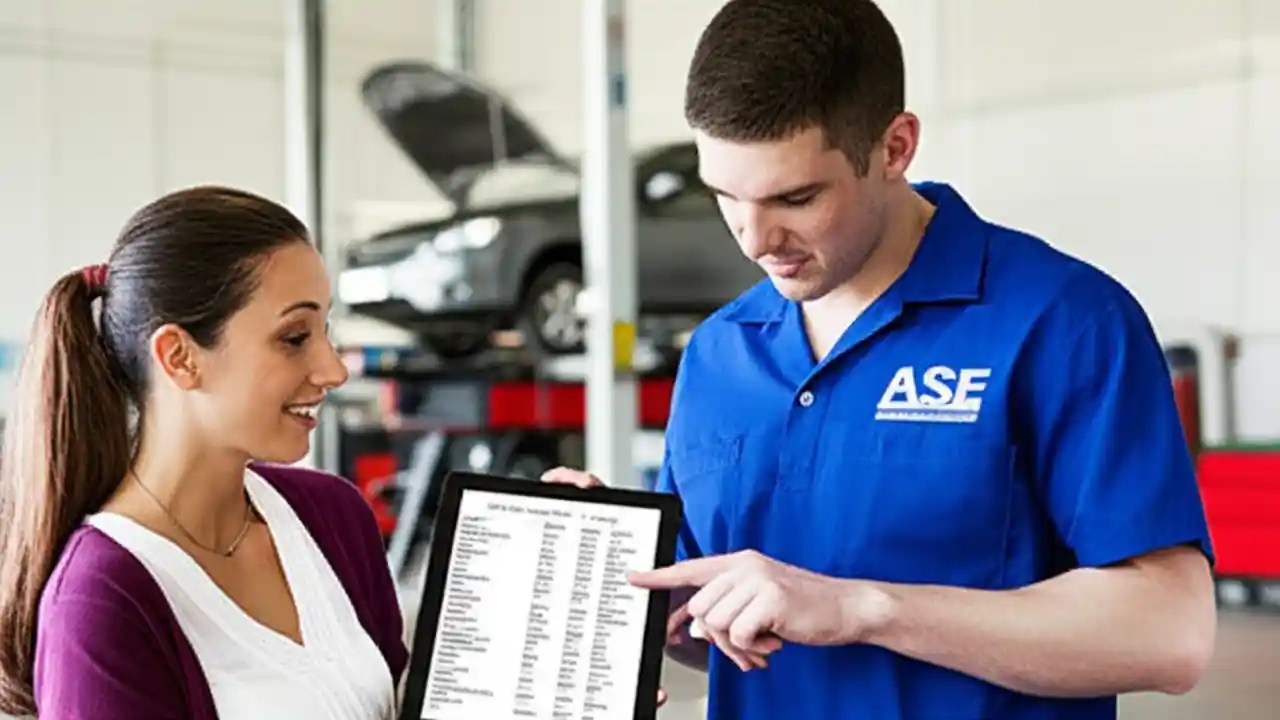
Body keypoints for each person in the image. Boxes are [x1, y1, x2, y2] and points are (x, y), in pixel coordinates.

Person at [543, 0, 1218, 718]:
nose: (754, 240)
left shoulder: (1063, 321)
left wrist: (864, 608)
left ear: (895, 147)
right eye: (725, 197)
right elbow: (719, 636)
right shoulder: (718, 353)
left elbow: (1169, 632)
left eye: (795, 197)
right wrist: (631, 589)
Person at [0, 186, 407, 719]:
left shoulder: (334, 515)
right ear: (180, 357)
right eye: (293, 337)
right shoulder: (100, 602)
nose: (333, 369)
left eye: (324, 330)